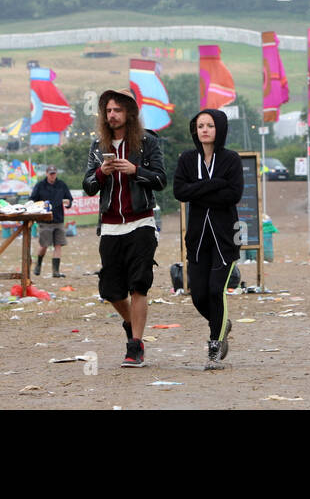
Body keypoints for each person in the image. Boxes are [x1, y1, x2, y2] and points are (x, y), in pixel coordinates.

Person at [83, 88, 166, 368]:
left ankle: (135, 346)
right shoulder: (97, 147)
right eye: (108, 110)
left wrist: (135, 171)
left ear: (129, 113)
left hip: (141, 222)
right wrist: (101, 173)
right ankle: (132, 324)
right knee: (110, 289)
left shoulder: (146, 143)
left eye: (117, 110)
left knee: (139, 284)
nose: (112, 115)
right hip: (110, 226)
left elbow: (161, 180)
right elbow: (88, 186)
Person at [172, 108, 244, 370]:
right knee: (199, 295)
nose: (204, 130)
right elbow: (180, 191)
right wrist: (215, 184)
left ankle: (214, 347)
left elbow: (233, 194)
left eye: (210, 125)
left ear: (220, 129)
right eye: (200, 126)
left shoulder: (231, 160)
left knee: (216, 290)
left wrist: (199, 191)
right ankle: (222, 323)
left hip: (225, 237)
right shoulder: (187, 160)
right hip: (197, 237)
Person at [29, 166, 72, 278]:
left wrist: (68, 202)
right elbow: (32, 200)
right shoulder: (40, 185)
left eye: (54, 173)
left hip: (58, 219)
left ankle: (55, 271)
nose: (53, 175)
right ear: (47, 173)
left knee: (58, 245)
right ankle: (38, 264)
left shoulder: (61, 185)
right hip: (44, 220)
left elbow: (69, 198)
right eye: (51, 173)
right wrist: (38, 207)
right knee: (44, 245)